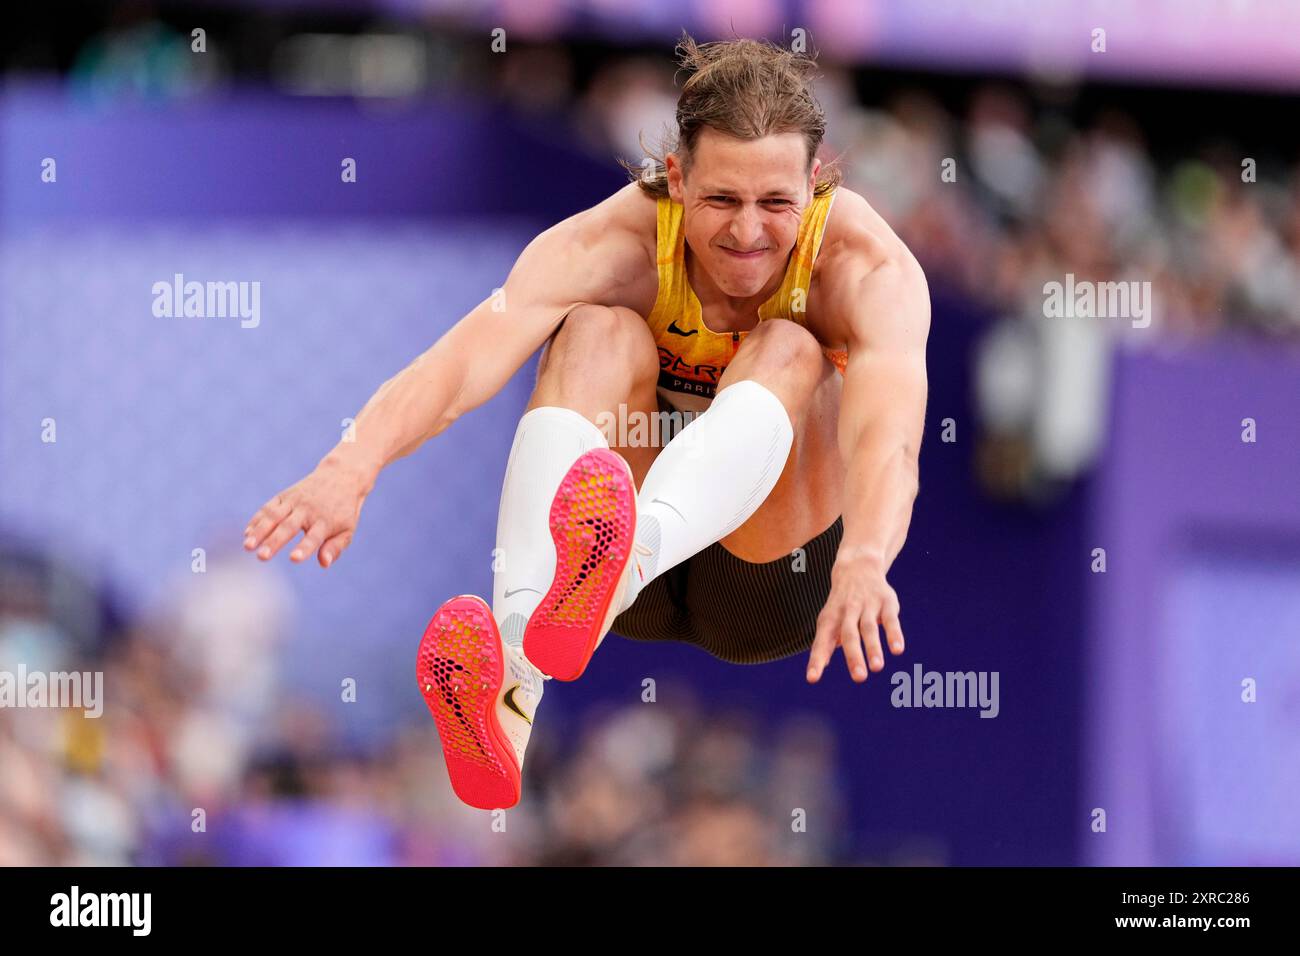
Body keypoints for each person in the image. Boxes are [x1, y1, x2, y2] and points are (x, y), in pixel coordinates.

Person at [242, 35, 930, 810]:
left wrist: (867, 558)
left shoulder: (864, 268)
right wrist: (351, 464)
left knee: (791, 347)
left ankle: (607, 572)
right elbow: (465, 360)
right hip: (613, 586)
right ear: (676, 177)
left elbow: (889, 435)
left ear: (815, 183)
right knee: (596, 332)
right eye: (721, 201)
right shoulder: (615, 241)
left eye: (776, 204)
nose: (747, 234)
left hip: (767, 583)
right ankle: (512, 681)